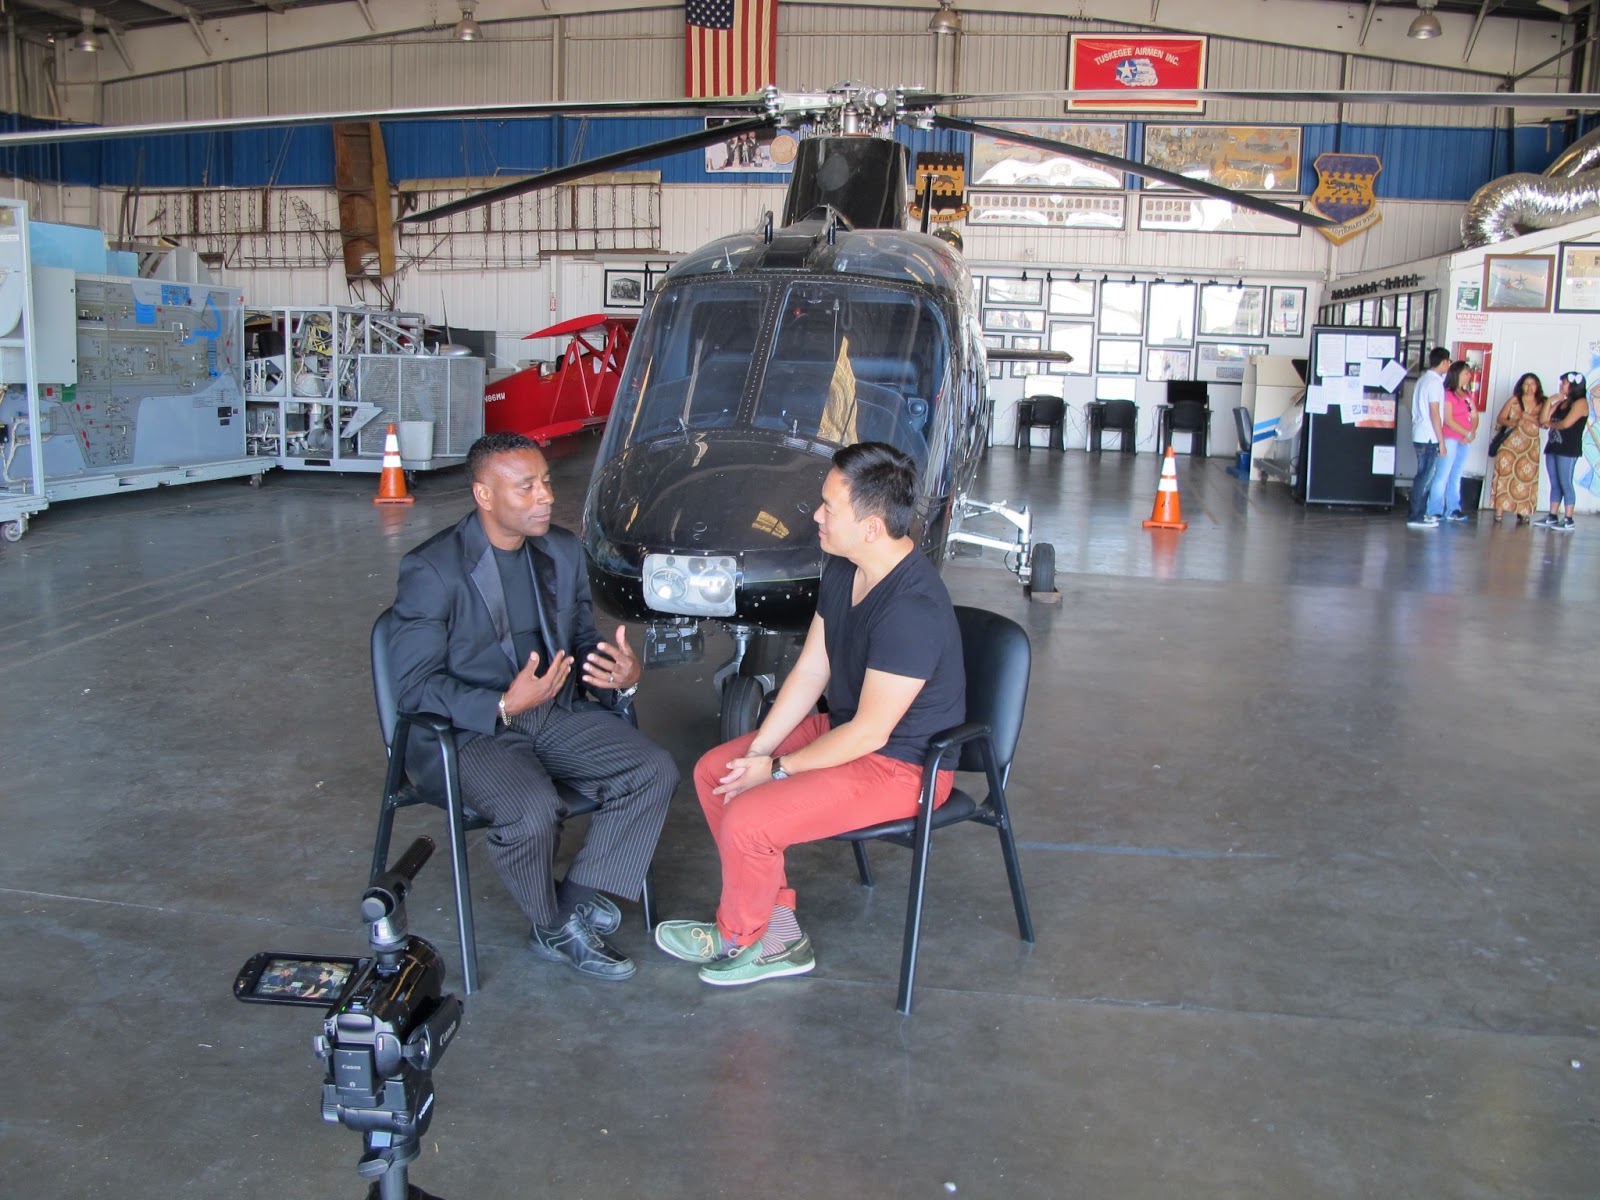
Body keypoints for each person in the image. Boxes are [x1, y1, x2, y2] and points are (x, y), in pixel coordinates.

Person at [653, 442, 966, 987]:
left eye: (829, 507)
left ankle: (743, 936)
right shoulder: (845, 567)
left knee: (751, 819)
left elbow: (871, 733)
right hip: (848, 732)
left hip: (906, 765)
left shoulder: (912, 608)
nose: (816, 515)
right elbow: (812, 670)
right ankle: (772, 930)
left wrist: (775, 770)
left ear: (871, 527)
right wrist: (758, 752)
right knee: (717, 773)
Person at [388, 432, 677, 981]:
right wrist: (501, 703)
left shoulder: (561, 552)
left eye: (545, 481)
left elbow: (581, 639)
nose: (546, 496)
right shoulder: (433, 569)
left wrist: (618, 674)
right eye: (526, 487)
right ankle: (552, 923)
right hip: (466, 732)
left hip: (549, 712)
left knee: (651, 769)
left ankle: (570, 903)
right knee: (532, 809)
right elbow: (414, 687)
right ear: (484, 495)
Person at [1535, 371, 1590, 531]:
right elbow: (1543, 420)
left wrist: (1550, 424)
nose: (1561, 385)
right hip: (1554, 446)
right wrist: (1550, 401)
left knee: (1566, 482)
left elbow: (1566, 424)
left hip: (1568, 448)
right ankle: (1552, 516)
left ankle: (1568, 518)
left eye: (1564, 383)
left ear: (1573, 385)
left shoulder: (1581, 403)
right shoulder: (1562, 403)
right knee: (1555, 482)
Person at [1488, 372, 1546, 525]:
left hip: (1530, 447)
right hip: (1510, 446)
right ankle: (1499, 511)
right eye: (1526, 384)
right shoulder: (1514, 400)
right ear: (1521, 386)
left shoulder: (1543, 403)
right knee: (1505, 477)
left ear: (1537, 386)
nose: (1529, 387)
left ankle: (1523, 511)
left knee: (1526, 479)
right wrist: (1513, 422)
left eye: (1532, 384)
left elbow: (1544, 424)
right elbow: (1500, 418)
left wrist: (1528, 417)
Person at [1426, 359, 1478, 523]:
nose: (1469, 376)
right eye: (1466, 373)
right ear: (1457, 375)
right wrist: (1466, 433)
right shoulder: (1448, 394)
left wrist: (1471, 432)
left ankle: (1453, 508)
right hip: (1450, 438)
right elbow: (1448, 420)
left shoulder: (1467, 395)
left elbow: (1474, 416)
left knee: (1456, 474)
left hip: (1464, 440)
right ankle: (1434, 510)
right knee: (1442, 474)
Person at [1406, 348, 1450, 529]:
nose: (1449, 365)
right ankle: (1415, 516)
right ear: (1444, 362)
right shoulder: (1434, 383)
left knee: (1423, 475)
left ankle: (1419, 513)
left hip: (1420, 433)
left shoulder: (1423, 380)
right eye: (1448, 362)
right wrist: (1441, 441)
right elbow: (1434, 413)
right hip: (1429, 437)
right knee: (1425, 477)